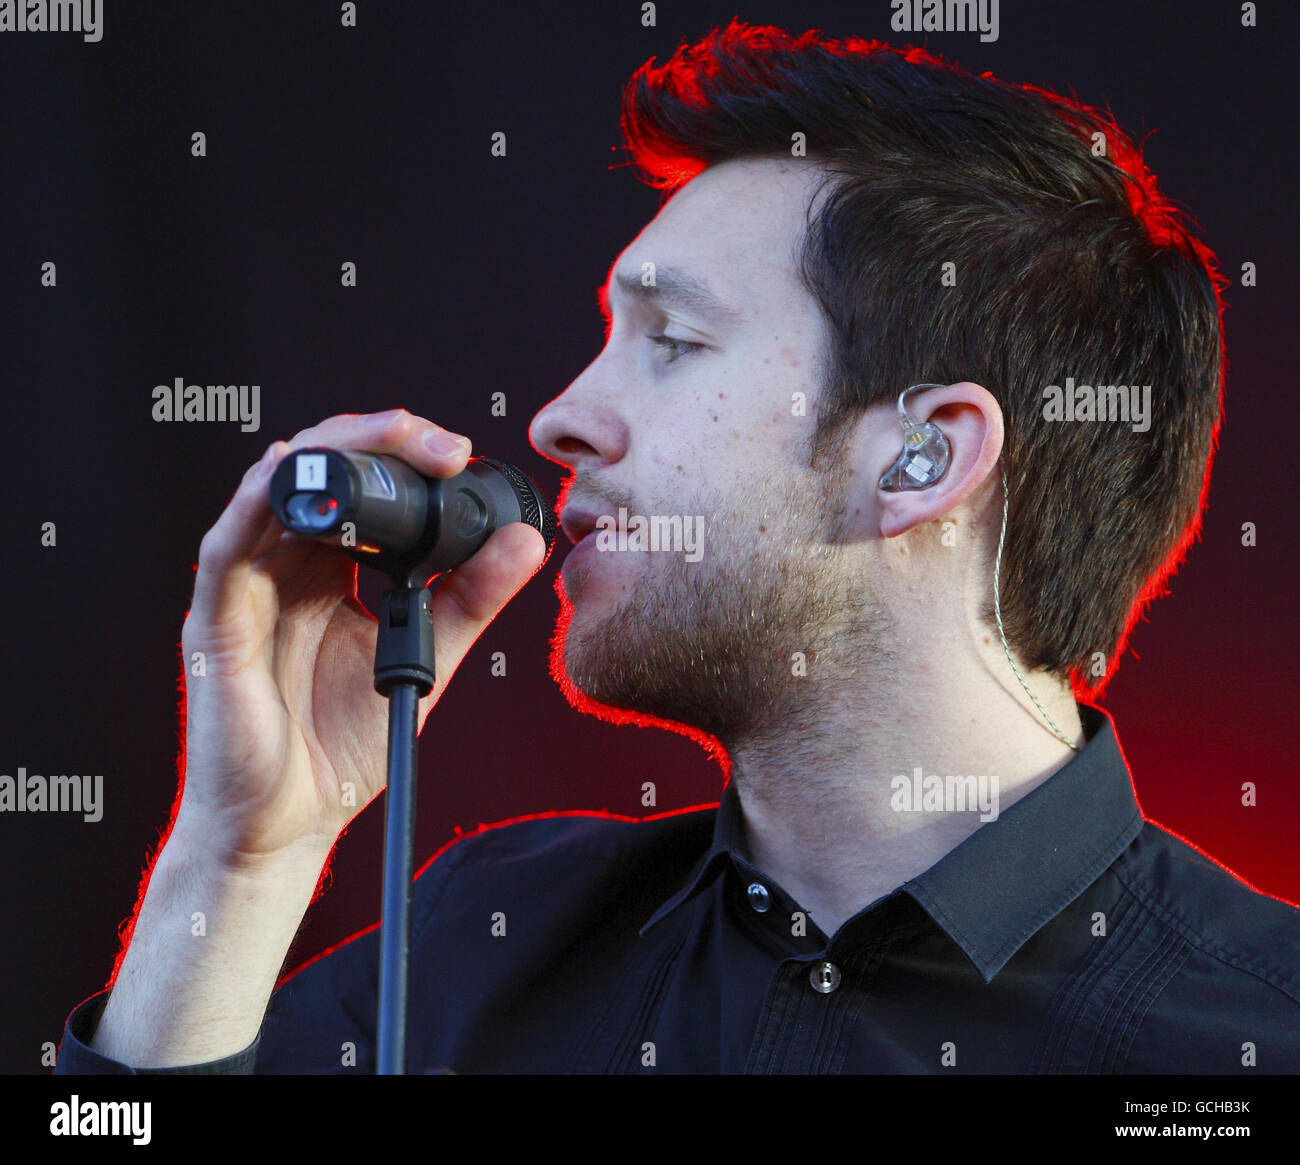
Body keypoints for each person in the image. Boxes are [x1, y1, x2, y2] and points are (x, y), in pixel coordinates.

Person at [56, 21, 1299, 1074]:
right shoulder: (482, 938)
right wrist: (241, 855)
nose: (557, 418)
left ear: (923, 459)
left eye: (671, 339)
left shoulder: (1250, 1034)